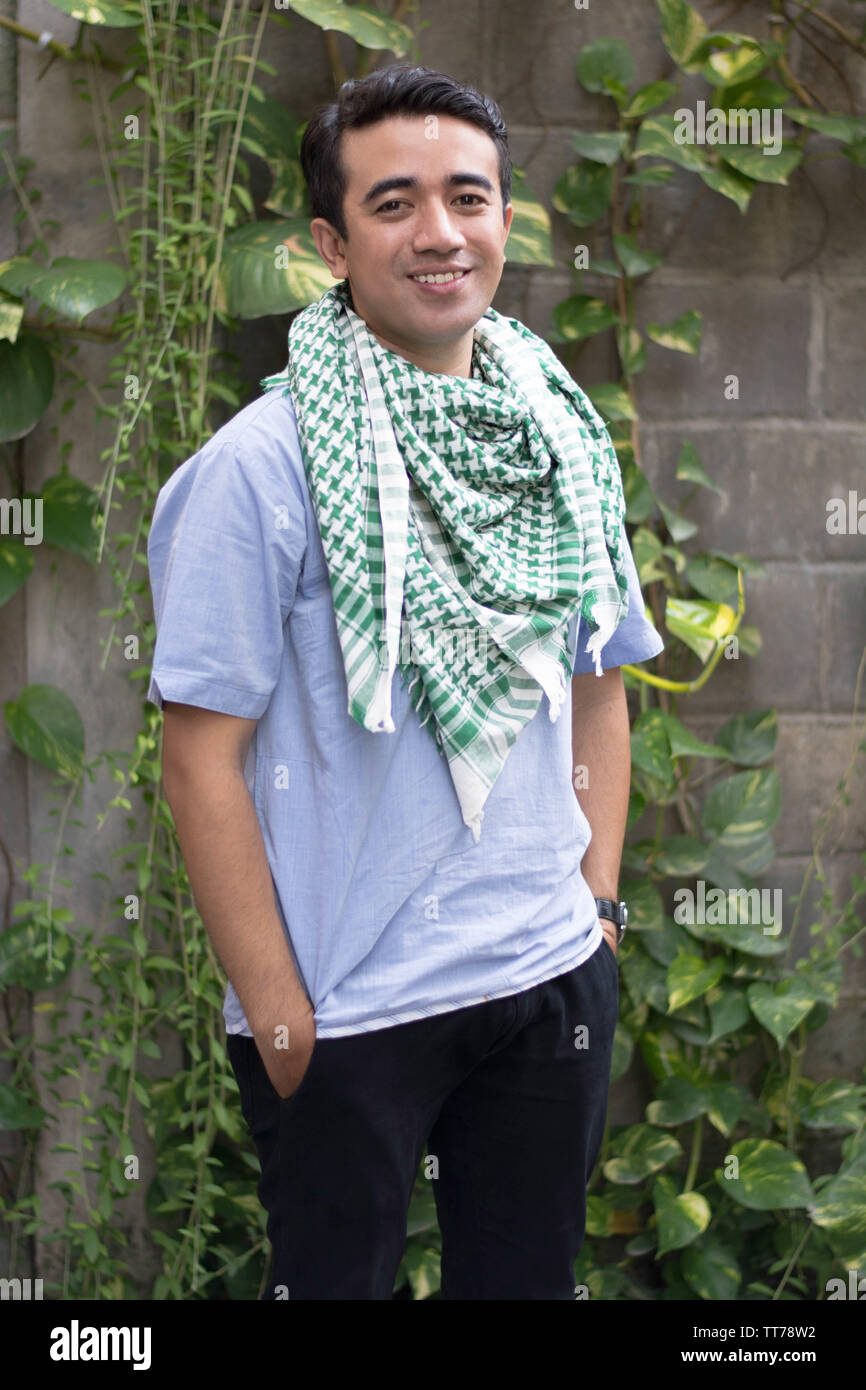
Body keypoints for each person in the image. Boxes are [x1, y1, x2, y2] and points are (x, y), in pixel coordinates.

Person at [146, 63, 664, 1301]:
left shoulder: (554, 429)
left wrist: (592, 904)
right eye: (392, 204)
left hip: (543, 982)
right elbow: (197, 757)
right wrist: (280, 1017)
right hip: (348, 1015)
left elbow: (598, 677)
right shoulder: (255, 472)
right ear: (329, 243)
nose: (440, 233)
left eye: (466, 196)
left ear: (501, 216)